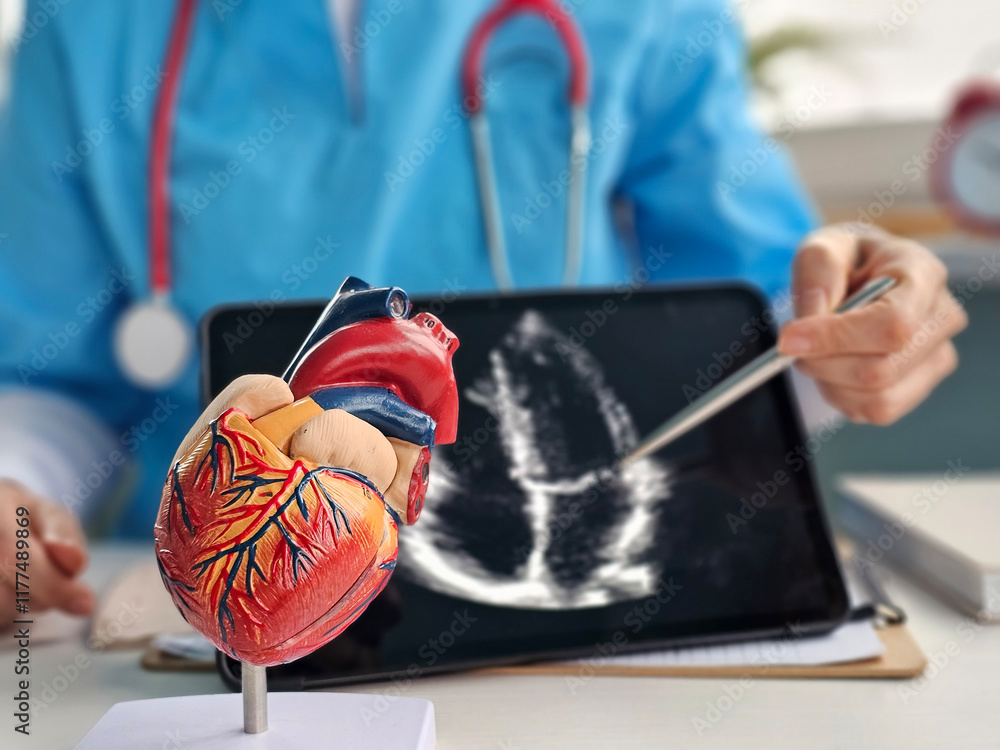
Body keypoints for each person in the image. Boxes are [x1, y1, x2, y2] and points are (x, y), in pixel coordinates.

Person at [0, 0, 966, 621]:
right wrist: (13, 495)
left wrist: (855, 339)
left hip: (587, 609)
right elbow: (52, 380)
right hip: (221, 592)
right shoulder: (88, 27)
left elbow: (761, 331)